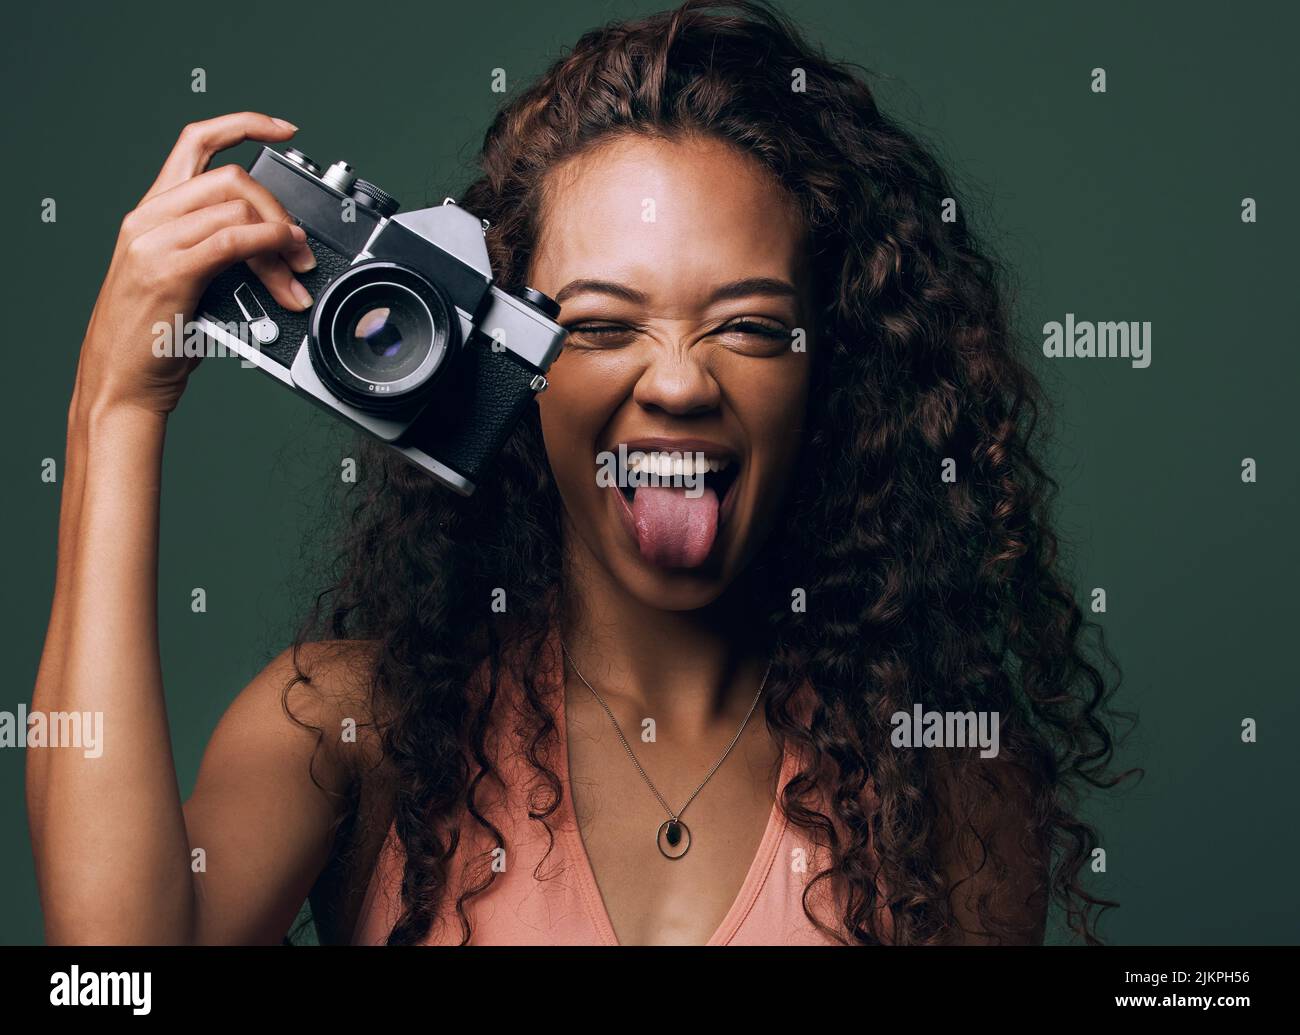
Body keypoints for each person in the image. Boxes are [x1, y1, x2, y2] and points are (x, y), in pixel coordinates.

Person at [28, 0, 1131, 946]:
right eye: (600, 326)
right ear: (504, 362)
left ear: (827, 370)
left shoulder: (940, 789)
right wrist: (114, 408)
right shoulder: (349, 729)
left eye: (747, 327)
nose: (679, 383)